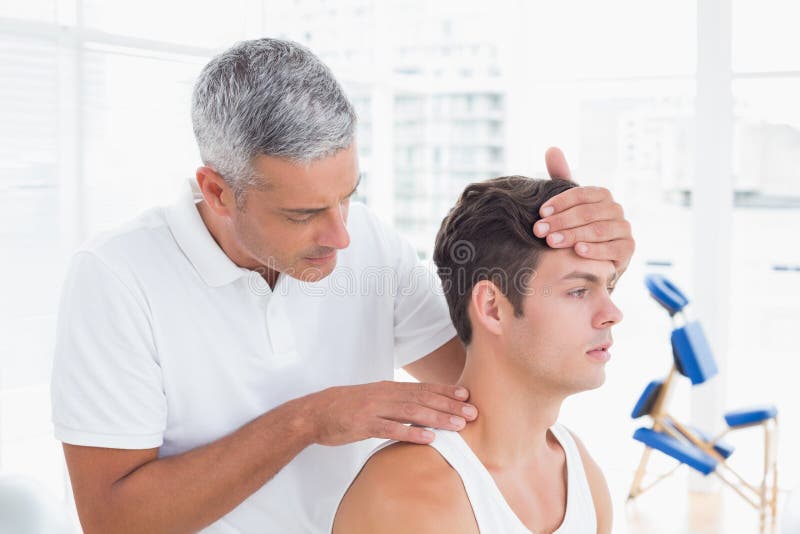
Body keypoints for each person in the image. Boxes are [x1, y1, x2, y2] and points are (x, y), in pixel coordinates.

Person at [51, 38, 634, 533]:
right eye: (303, 213)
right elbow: (111, 518)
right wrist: (306, 421)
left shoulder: (369, 245)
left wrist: (578, 256)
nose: (341, 235)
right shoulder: (117, 277)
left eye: (348, 195)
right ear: (219, 192)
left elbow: (492, 366)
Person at [333, 175, 622, 534]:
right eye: (579, 291)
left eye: (609, 286)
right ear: (493, 308)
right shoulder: (410, 495)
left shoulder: (578, 471)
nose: (612, 313)